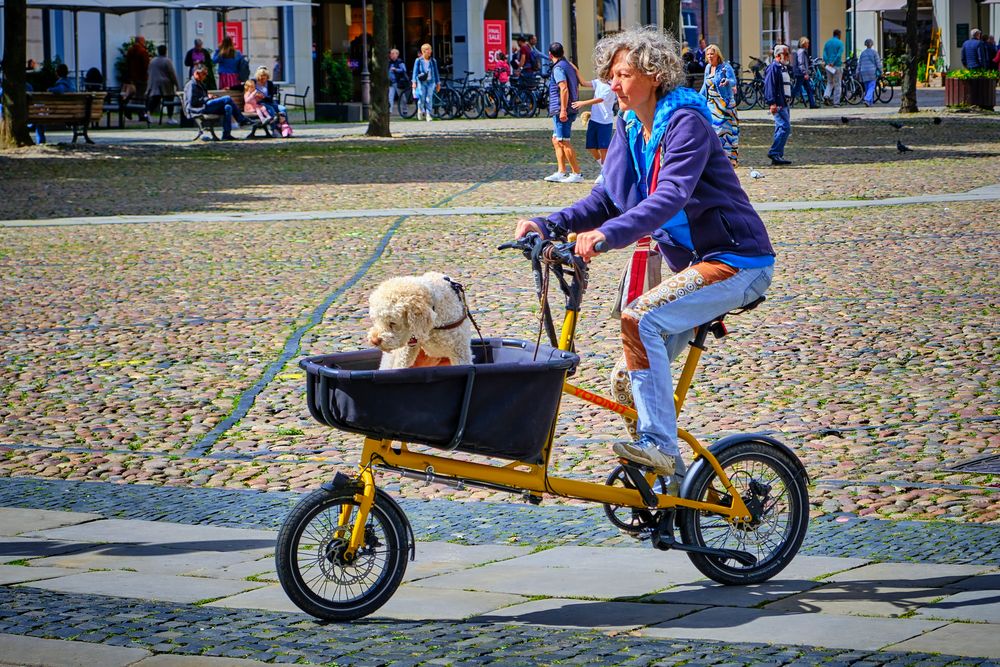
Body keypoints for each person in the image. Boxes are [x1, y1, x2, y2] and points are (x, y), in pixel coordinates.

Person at [513, 25, 774, 478]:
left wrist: (607, 236)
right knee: (625, 376)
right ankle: (659, 482)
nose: (613, 84)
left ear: (654, 75)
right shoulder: (630, 125)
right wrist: (547, 223)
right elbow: (606, 199)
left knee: (640, 317)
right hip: (695, 266)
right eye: (610, 76)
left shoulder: (686, 122)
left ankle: (662, 448)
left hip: (737, 259)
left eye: (622, 74)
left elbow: (670, 195)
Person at [543, 42, 582, 183]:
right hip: (563, 108)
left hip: (562, 109)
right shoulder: (567, 65)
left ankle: (576, 173)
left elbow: (563, 88)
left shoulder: (558, 68)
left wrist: (563, 110)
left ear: (550, 54)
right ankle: (561, 171)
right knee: (556, 140)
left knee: (564, 141)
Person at [698, 43, 739, 168]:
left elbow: (733, 81)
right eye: (708, 54)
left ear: (717, 55)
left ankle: (727, 158)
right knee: (713, 130)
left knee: (725, 131)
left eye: (712, 54)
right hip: (712, 105)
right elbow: (705, 86)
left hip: (724, 104)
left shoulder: (725, 67)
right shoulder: (707, 68)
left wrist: (727, 81)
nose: (710, 56)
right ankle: (717, 157)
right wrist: (697, 99)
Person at [184, 63, 249, 141]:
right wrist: (207, 98)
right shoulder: (191, 85)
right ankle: (242, 120)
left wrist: (209, 97)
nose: (205, 76)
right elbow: (193, 102)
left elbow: (201, 97)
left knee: (228, 107)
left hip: (204, 106)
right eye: (204, 74)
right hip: (198, 109)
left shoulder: (200, 83)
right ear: (196, 73)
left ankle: (226, 134)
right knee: (227, 98)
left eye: (206, 74)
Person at [572, 75, 617, 184]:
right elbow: (583, 83)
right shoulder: (599, 81)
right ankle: (604, 167)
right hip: (594, 119)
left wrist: (582, 103)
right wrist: (575, 70)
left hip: (605, 121)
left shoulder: (610, 86)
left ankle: (605, 173)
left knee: (603, 148)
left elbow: (600, 99)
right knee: (591, 146)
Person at [764, 44, 792, 166]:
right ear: (778, 55)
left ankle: (777, 156)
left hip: (784, 102)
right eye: (785, 54)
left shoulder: (782, 67)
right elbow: (769, 85)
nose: (787, 56)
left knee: (780, 128)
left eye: (788, 53)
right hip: (778, 103)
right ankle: (774, 151)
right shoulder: (773, 68)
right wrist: (772, 103)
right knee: (785, 127)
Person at [34, 63, 75, 144]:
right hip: (72, 112)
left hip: (60, 112)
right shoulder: (71, 84)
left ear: (57, 73)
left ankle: (41, 141)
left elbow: (60, 90)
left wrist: (50, 89)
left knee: (39, 119)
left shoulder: (62, 83)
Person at [146, 44, 181, 124]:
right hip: (166, 84)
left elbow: (149, 71)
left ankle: (148, 113)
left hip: (154, 83)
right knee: (169, 99)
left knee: (155, 99)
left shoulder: (153, 61)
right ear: (165, 51)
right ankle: (170, 117)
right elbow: (172, 73)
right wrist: (177, 84)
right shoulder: (167, 61)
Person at [411, 43, 440, 122]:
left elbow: (436, 72)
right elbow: (415, 72)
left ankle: (428, 114)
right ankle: (420, 109)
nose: (430, 51)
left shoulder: (433, 61)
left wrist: (438, 83)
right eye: (428, 50)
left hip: (431, 81)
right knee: (422, 98)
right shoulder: (418, 60)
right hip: (421, 82)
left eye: (430, 49)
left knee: (429, 98)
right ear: (423, 51)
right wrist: (414, 82)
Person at [791, 37, 818, 108]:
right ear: (804, 44)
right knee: (797, 89)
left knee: (808, 89)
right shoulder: (801, 52)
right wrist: (805, 73)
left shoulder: (802, 51)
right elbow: (801, 63)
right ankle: (786, 100)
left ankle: (812, 104)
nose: (808, 44)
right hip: (800, 74)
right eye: (807, 43)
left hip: (801, 73)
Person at [822, 29, 844, 106]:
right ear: (839, 35)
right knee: (837, 84)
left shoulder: (827, 43)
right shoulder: (840, 43)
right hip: (837, 65)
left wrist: (828, 62)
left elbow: (824, 54)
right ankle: (836, 102)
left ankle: (826, 95)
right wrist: (833, 62)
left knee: (829, 82)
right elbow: (839, 55)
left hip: (828, 67)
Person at [857, 39, 882, 107]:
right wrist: (881, 71)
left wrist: (857, 72)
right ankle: (867, 99)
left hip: (863, 71)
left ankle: (870, 103)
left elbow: (859, 63)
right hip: (872, 71)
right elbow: (878, 63)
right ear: (871, 44)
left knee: (867, 87)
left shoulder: (863, 53)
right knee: (872, 86)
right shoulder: (874, 52)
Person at [388, 48, 407, 112]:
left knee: (402, 97)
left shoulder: (400, 62)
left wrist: (396, 69)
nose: (392, 55)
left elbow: (404, 70)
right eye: (391, 54)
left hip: (398, 82)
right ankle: (390, 111)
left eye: (393, 54)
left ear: (397, 54)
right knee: (390, 97)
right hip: (391, 82)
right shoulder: (389, 62)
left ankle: (405, 110)